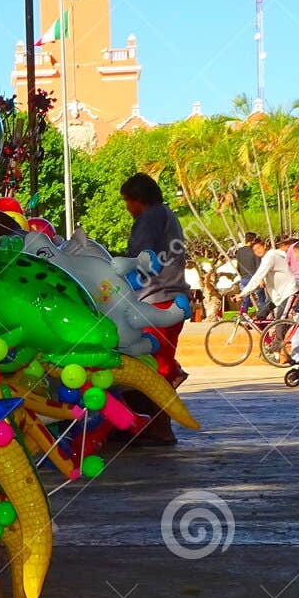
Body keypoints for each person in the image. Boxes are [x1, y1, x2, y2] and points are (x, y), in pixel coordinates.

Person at [120, 172, 188, 444]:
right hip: (170, 297)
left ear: (140, 200)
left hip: (156, 300)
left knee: (153, 366)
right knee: (160, 363)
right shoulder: (168, 215)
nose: (127, 208)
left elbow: (140, 257)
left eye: (128, 201)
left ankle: (160, 427)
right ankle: (152, 424)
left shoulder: (149, 218)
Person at [239, 236, 298, 319]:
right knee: (260, 315)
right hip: (277, 295)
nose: (257, 251)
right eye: (255, 250)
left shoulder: (270, 257)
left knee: (280, 323)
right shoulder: (268, 257)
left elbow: (257, 277)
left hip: (287, 292)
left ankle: (282, 330)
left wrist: (242, 294)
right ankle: (267, 331)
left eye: (259, 248)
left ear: (264, 246)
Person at [232, 233, 260, 314]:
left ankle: (244, 317)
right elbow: (258, 265)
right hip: (255, 278)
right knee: (261, 297)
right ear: (253, 240)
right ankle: (262, 316)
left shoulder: (239, 251)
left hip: (244, 278)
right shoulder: (255, 250)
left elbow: (238, 265)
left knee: (245, 299)